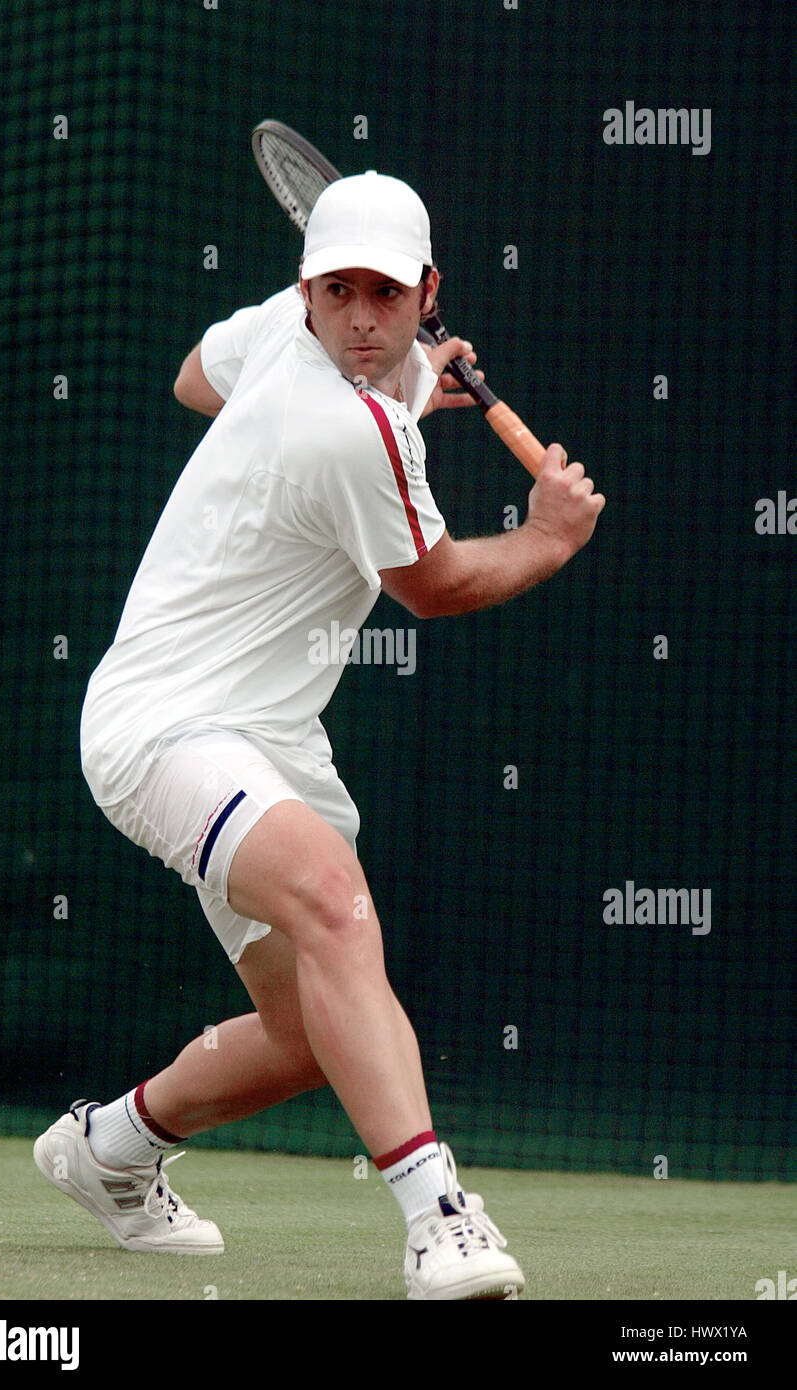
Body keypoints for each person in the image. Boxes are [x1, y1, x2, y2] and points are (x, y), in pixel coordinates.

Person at [34, 171, 604, 1300]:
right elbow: (432, 588)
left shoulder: (275, 337)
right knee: (334, 897)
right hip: (163, 721)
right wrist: (545, 538)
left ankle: (106, 1149)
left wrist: (395, 379)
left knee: (305, 1034)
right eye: (333, 290)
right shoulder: (352, 433)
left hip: (265, 735)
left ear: (424, 291)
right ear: (307, 288)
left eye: (382, 296)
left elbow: (197, 376)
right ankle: (439, 1217)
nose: (355, 317)